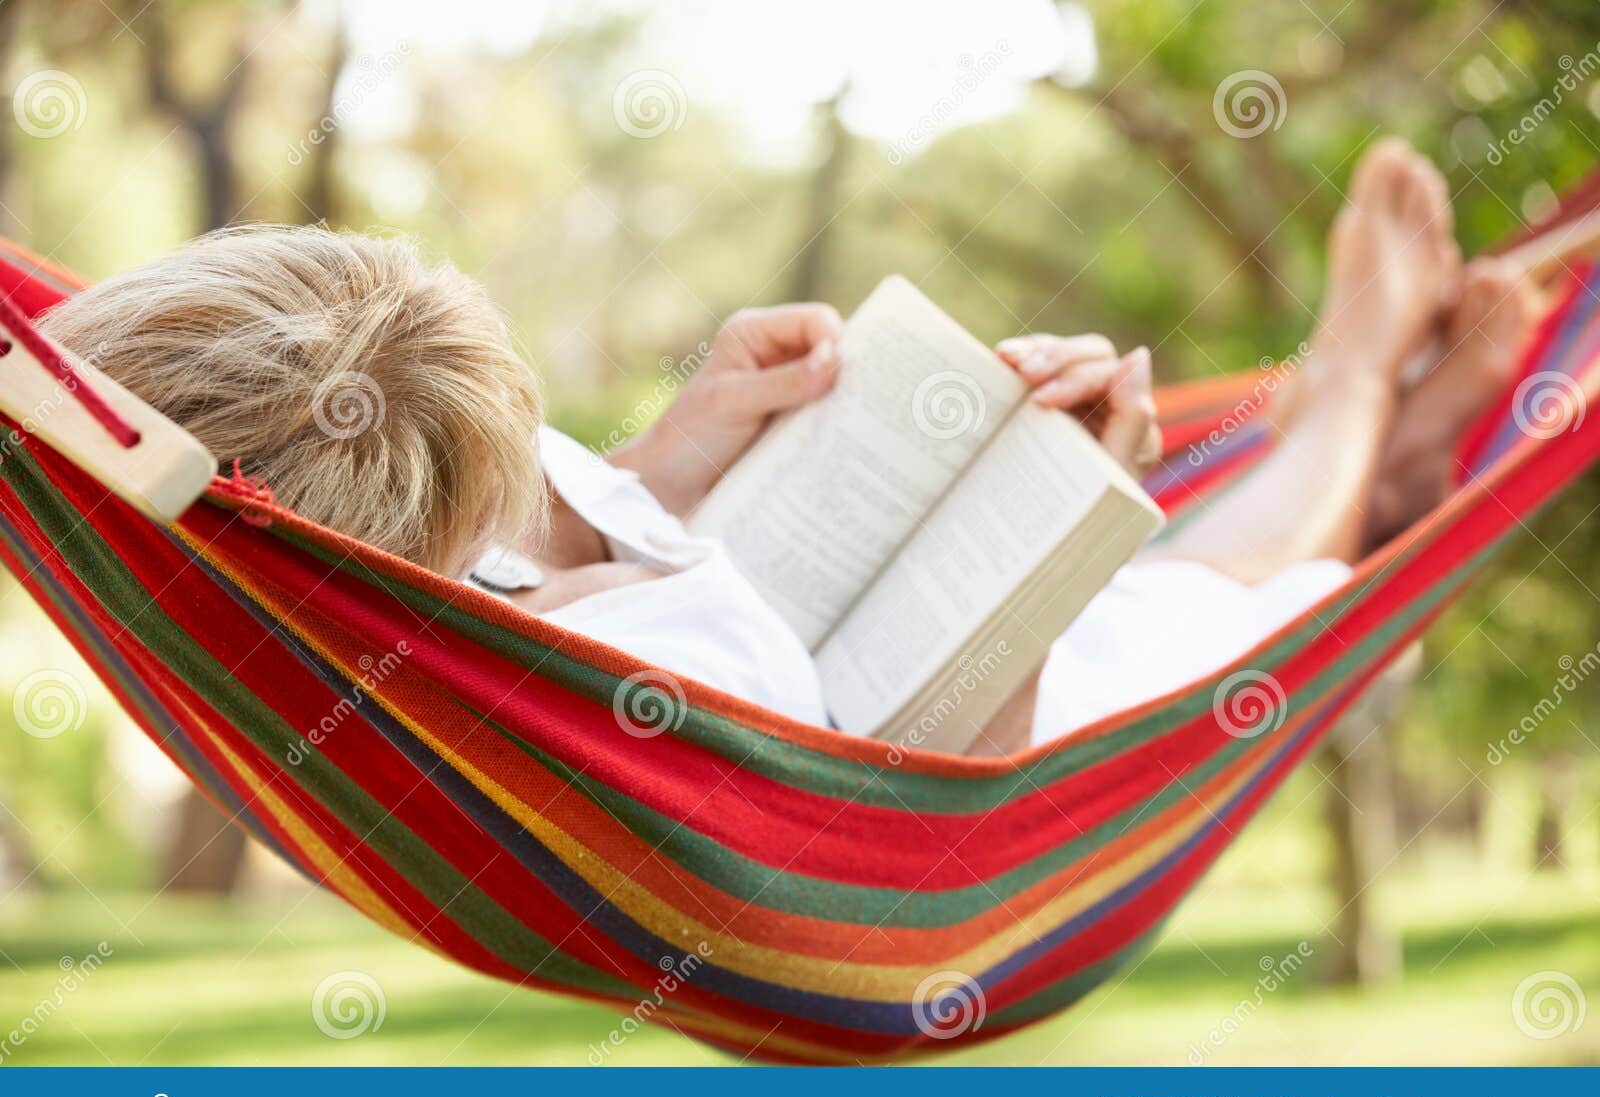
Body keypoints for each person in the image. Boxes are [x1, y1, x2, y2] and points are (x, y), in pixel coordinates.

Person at [36, 138, 1535, 753]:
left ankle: (1389, 463)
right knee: (1244, 582)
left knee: (1260, 548)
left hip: (923, 632)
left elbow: (503, 552)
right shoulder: (579, 700)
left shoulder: (390, 572)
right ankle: (1351, 392)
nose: (538, 512)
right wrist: (1052, 546)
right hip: (1072, 714)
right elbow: (945, 819)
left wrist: (676, 458)